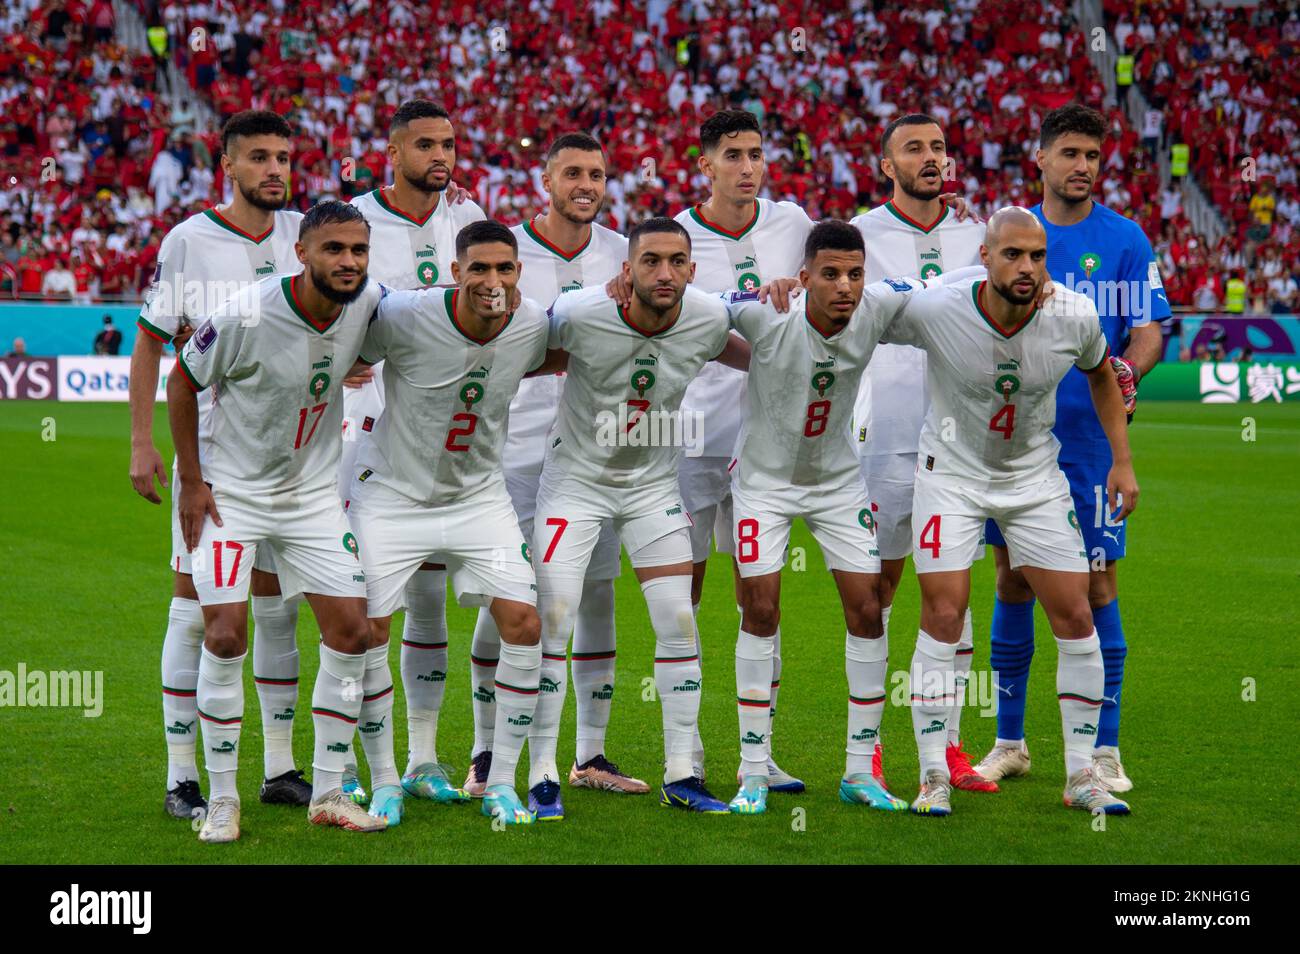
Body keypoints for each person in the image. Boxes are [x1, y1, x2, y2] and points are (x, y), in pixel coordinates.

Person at [882, 208, 1138, 816]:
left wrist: (1121, 461)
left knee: (1076, 614)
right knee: (944, 613)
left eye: (1037, 256)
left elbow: (1104, 374)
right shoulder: (938, 306)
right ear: (985, 255)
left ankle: (1081, 777)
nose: (1026, 267)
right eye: (1012, 254)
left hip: (1034, 481)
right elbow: (860, 309)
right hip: (951, 477)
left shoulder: (1072, 313)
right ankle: (931, 776)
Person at [167, 200, 389, 842]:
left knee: (352, 632)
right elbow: (182, 381)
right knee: (227, 635)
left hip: (312, 498)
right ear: (302, 253)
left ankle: (327, 790)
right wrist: (191, 479)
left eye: (358, 250)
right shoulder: (245, 311)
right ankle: (225, 798)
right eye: (334, 250)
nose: (348, 262)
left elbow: (436, 314)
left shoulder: (369, 303)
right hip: (233, 496)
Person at [977, 105, 1167, 794]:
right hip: (1012, 436)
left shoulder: (1126, 240)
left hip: (1088, 444)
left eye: (1092, 154)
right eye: (1070, 153)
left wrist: (1130, 368)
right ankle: (1009, 740)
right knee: (1011, 579)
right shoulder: (1012, 233)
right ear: (1042, 158)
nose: (1082, 165)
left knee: (1096, 584)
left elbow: (1148, 329)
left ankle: (1105, 750)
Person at [532, 217, 748, 815]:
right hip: (573, 484)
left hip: (653, 487)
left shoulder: (708, 317)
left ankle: (684, 772)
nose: (665, 273)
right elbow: (516, 355)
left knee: (679, 618)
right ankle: (544, 770)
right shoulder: (578, 313)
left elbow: (764, 351)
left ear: (693, 270)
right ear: (625, 270)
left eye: (677, 261)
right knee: (554, 617)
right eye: (650, 261)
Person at [129, 110, 309, 821]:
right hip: (211, 461)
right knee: (200, 613)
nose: (274, 169)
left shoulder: (305, 236)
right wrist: (143, 444)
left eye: (284, 157)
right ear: (227, 167)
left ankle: (282, 767)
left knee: (279, 610)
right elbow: (150, 345)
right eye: (259, 157)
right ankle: (182, 778)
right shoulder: (190, 241)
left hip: (293, 460)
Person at [724, 221, 934, 815]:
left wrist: (1035, 283)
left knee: (869, 608)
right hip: (763, 485)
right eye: (832, 274)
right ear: (805, 275)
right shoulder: (766, 312)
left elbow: (954, 290)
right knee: (760, 608)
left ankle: (857, 770)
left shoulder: (878, 305)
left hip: (839, 484)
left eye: (855, 273)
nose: (846, 285)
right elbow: (688, 304)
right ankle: (753, 769)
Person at [345, 221, 548, 827]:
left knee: (525, 623)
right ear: (455, 271)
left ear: (518, 274)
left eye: (505, 270)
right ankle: (387, 777)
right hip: (392, 497)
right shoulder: (403, 315)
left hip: (478, 499)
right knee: (367, 633)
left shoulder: (533, 323)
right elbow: (337, 353)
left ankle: (502, 782)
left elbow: (577, 346)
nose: (493, 282)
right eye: (480, 269)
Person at [468, 133, 644, 816]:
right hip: (508, 448)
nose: (586, 183)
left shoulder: (625, 251)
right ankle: (490, 749)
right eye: (573, 172)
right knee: (511, 600)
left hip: (594, 451)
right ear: (545, 180)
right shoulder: (505, 250)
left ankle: (589, 754)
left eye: (597, 174)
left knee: (592, 598)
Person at [339, 99, 486, 806]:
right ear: (392, 151)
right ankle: (360, 764)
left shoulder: (469, 217)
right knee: (365, 609)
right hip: (364, 440)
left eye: (449, 143)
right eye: (425, 143)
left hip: (447, 440)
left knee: (429, 601)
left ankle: (425, 759)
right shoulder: (351, 223)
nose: (441, 155)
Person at [848, 113, 991, 794]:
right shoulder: (859, 236)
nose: (931, 158)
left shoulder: (980, 233)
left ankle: (950, 746)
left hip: (961, 435)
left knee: (952, 597)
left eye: (938, 147)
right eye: (914, 148)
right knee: (878, 590)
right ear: (887, 164)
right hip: (886, 432)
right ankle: (868, 749)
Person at [672, 108, 813, 792]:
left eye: (756, 153)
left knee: (761, 602)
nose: (748, 166)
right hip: (690, 439)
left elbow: (842, 283)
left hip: (767, 442)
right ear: (705, 166)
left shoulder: (795, 225)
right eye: (733, 154)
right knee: (684, 600)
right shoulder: (677, 238)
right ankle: (688, 751)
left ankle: (759, 753)